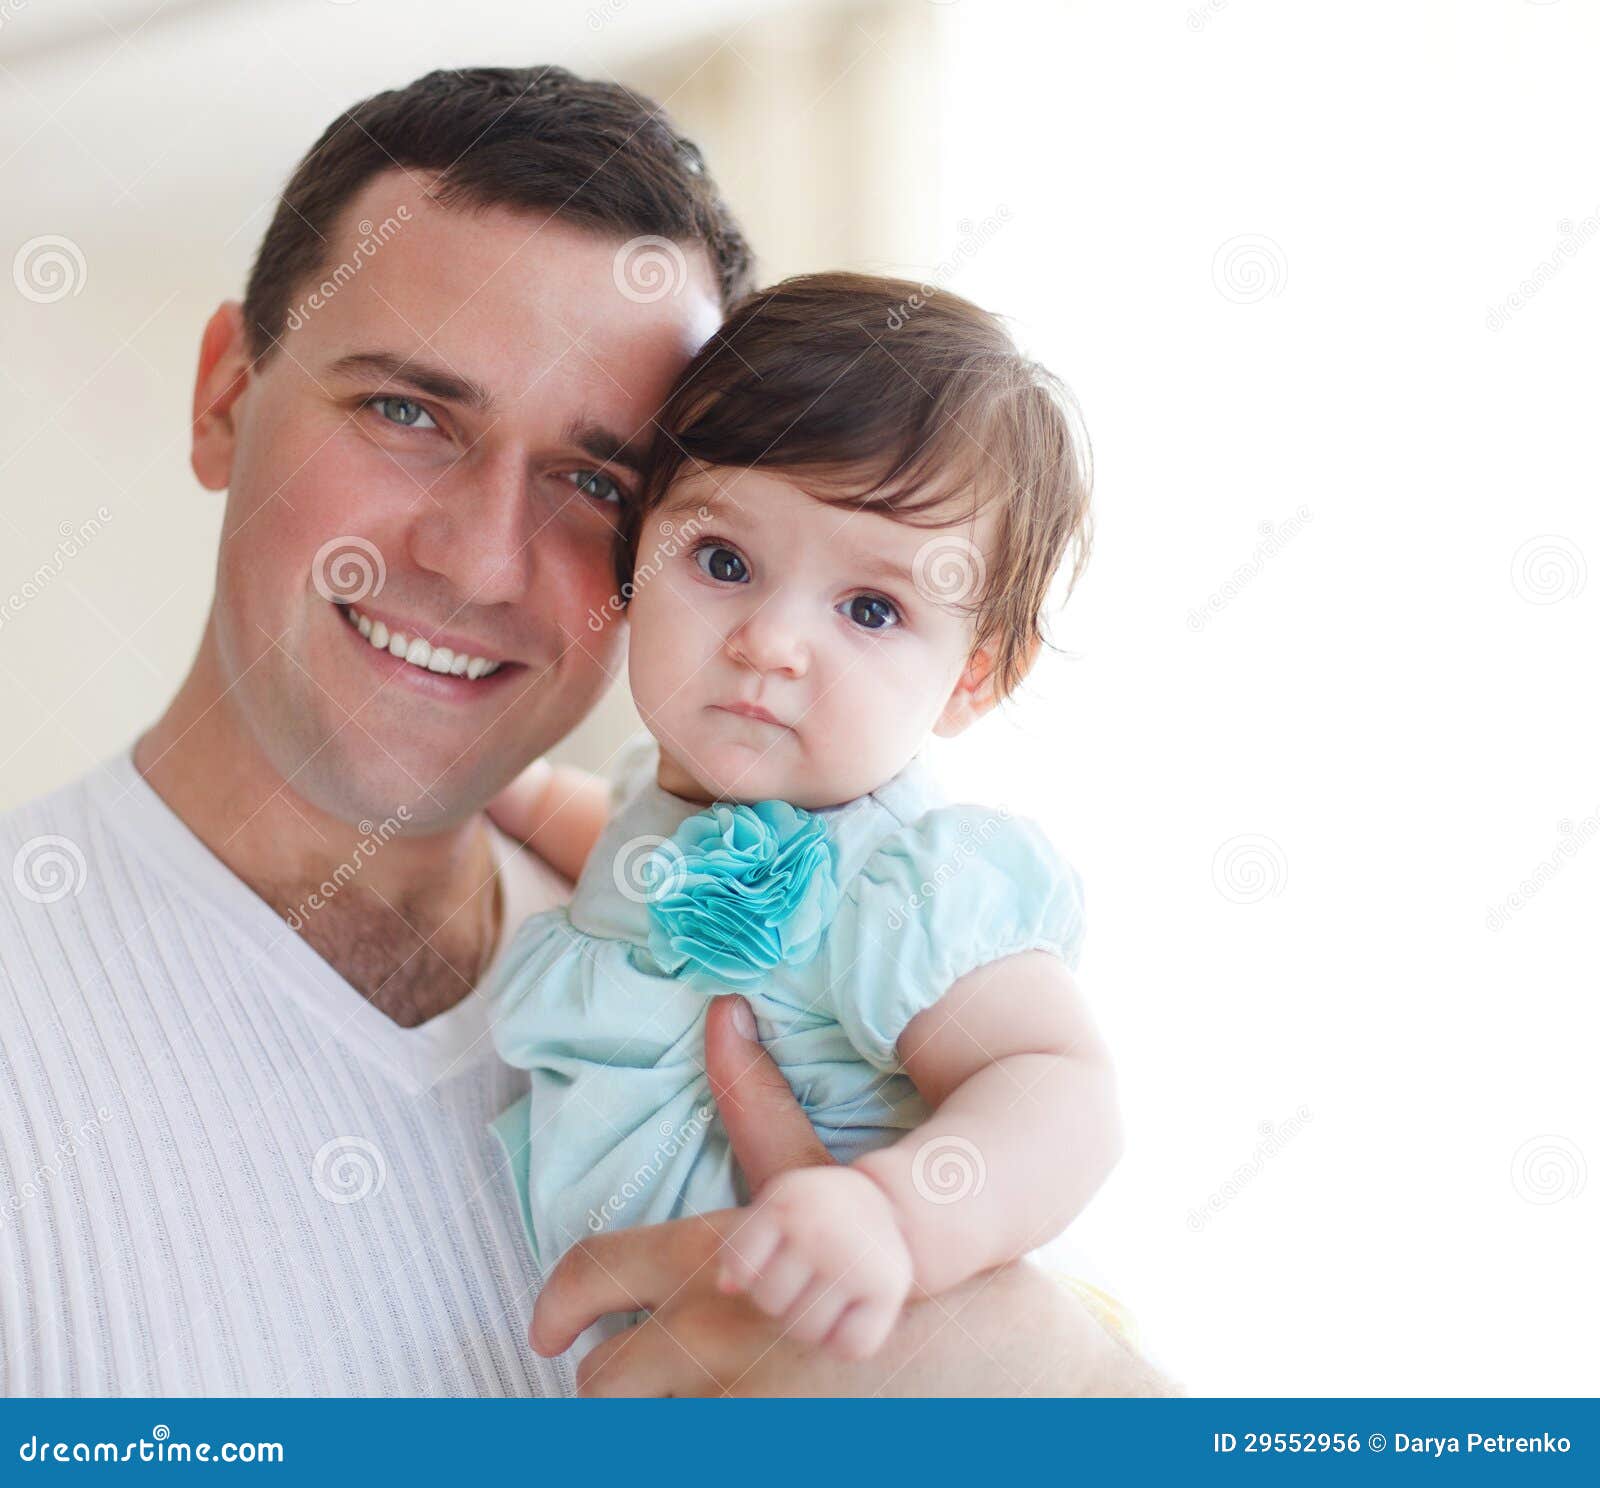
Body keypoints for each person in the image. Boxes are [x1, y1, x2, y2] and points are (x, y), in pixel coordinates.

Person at [0, 65, 1172, 1397]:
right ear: (223, 397)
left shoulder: (847, 965)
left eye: (594, 478)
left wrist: (1027, 1359)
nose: (485, 564)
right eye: (407, 412)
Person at [486, 271, 1122, 1369]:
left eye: (871, 609)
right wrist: (500, 783)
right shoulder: (665, 796)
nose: (770, 641)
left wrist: (893, 1219)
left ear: (975, 677)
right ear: (637, 557)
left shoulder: (913, 883)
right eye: (723, 562)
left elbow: (1063, 1093)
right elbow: (630, 865)